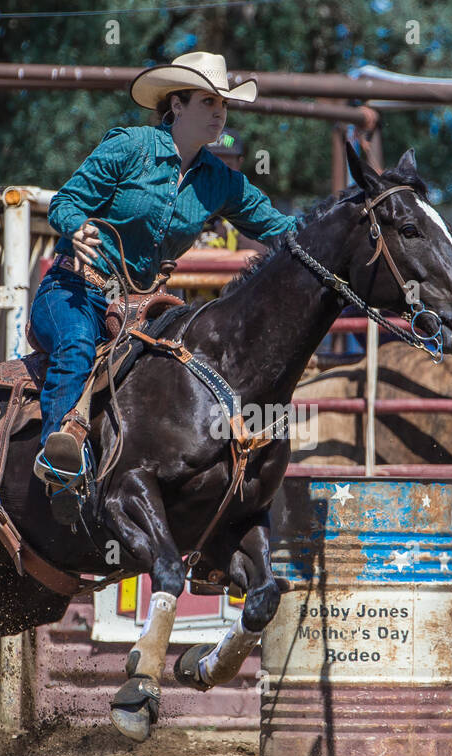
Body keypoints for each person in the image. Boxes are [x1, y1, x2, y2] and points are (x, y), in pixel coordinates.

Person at [33, 51, 298, 489]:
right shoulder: (130, 147)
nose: (219, 114)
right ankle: (58, 464)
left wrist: (338, 228)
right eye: (207, 103)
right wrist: (76, 226)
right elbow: (66, 201)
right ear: (176, 105)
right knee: (78, 344)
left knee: (182, 371)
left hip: (139, 308)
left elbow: (281, 229)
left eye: (223, 105)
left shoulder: (221, 181)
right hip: (74, 289)